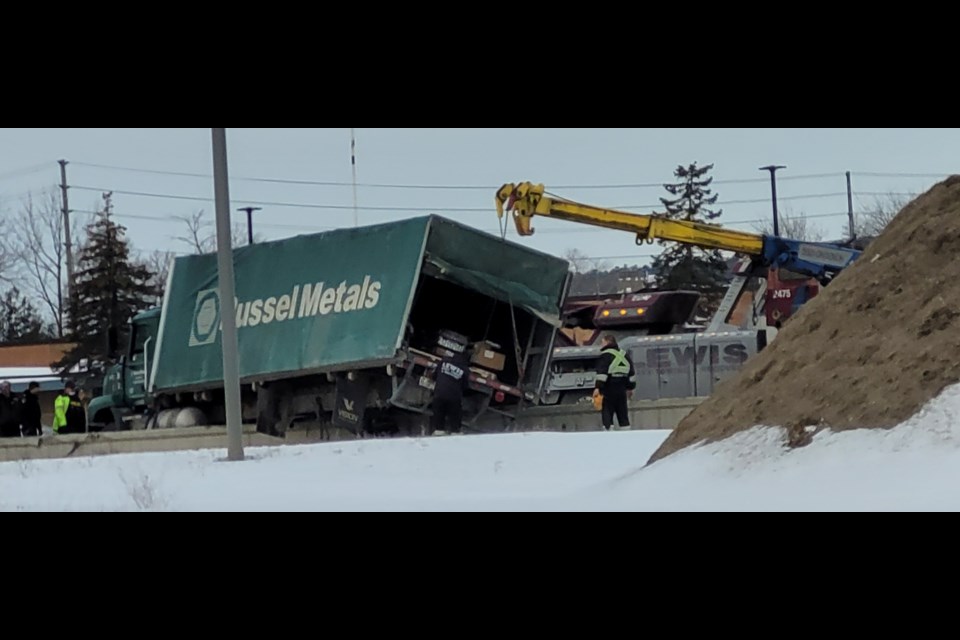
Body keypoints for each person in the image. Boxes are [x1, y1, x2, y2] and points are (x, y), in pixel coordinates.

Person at [594, 335, 636, 431]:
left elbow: (602, 373)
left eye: (602, 341)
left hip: (609, 387)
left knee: (607, 411)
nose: (601, 344)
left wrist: (598, 388)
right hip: (622, 389)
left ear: (608, 342)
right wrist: (630, 387)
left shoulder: (605, 355)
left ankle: (608, 431)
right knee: (622, 413)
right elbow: (631, 373)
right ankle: (626, 431)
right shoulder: (624, 354)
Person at [430, 344, 472, 436]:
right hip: (454, 397)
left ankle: (439, 430)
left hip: (439, 394)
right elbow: (465, 386)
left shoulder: (444, 362)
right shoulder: (465, 370)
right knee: (455, 412)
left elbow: (434, 376)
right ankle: (455, 431)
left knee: (438, 409)